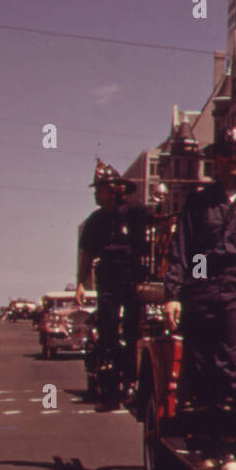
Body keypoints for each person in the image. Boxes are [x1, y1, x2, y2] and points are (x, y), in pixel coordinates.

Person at [164, 127, 236, 470]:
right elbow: (182, 248)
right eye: (227, 153)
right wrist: (174, 293)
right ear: (215, 159)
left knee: (232, 365)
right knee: (200, 365)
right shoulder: (198, 202)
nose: (234, 160)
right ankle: (203, 444)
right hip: (202, 285)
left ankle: (228, 446)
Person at [77, 158, 150, 409]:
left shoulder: (136, 213)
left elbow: (154, 238)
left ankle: (131, 387)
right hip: (107, 280)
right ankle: (109, 392)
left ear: (114, 189)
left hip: (132, 278)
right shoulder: (95, 221)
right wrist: (80, 284)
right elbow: (86, 253)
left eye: (100, 188)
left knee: (131, 333)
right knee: (107, 334)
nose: (96, 194)